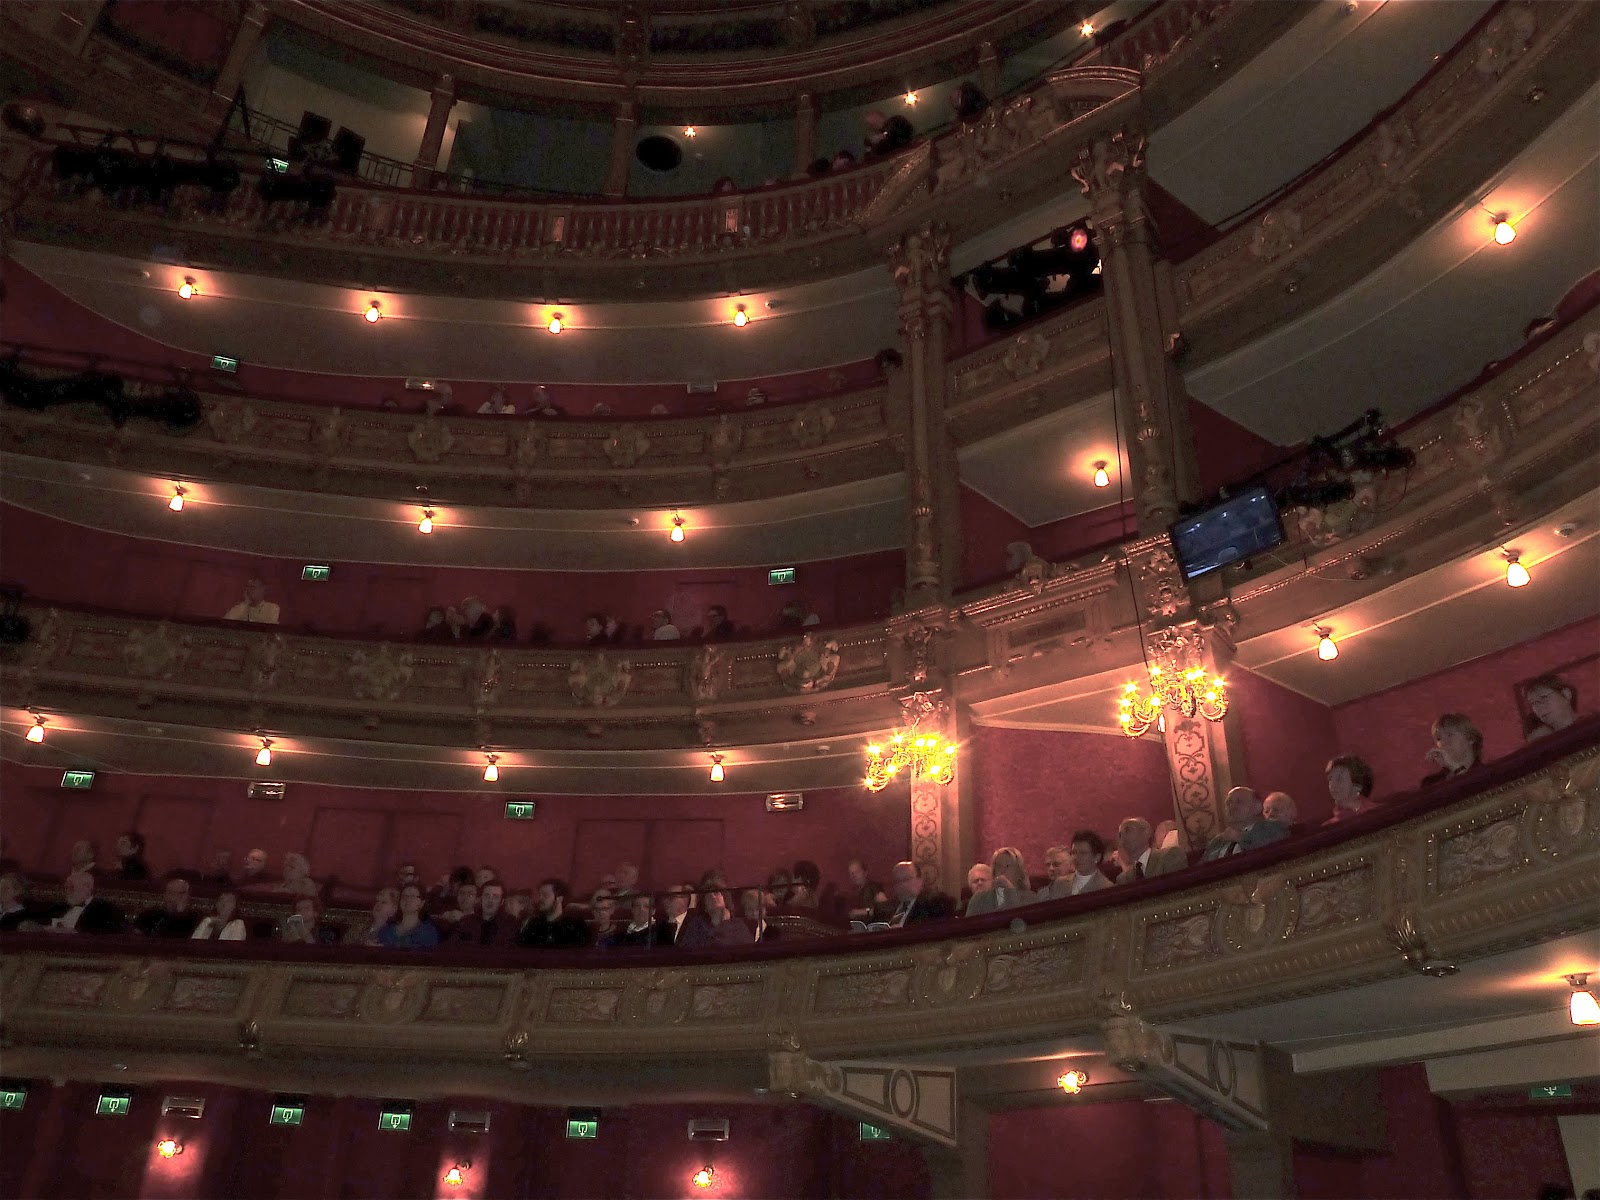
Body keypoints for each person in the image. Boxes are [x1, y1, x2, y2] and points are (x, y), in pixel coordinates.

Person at [1202, 788, 1289, 861]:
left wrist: (1241, 837)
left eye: (1239, 802)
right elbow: (1200, 870)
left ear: (1257, 807)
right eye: (1228, 803)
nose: (1232, 806)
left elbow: (1275, 851)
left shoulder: (1273, 827)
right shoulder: (1217, 841)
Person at [516, 878, 590, 948]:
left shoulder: (575, 925)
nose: (540, 899)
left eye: (545, 895)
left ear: (559, 899)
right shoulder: (534, 923)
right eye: (540, 895)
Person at [46, 871, 126, 934]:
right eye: (66, 888)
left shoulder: (104, 909)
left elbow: (110, 933)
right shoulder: (60, 905)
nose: (67, 891)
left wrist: (73, 932)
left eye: (71, 887)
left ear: (87, 887)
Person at [1115, 818, 1187, 884]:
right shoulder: (1123, 879)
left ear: (1147, 833)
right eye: (1120, 834)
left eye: (1128, 829)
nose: (1124, 836)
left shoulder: (1170, 856)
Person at [966, 847, 1034, 916]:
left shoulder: (1029, 898)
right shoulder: (979, 899)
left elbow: (1017, 921)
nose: (1002, 870)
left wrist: (1009, 890)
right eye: (999, 865)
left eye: (1007, 866)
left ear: (1019, 872)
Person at [884, 860, 953, 926]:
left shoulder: (935, 903)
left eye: (906, 879)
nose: (902, 884)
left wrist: (900, 932)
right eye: (897, 881)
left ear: (920, 880)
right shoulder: (884, 909)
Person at [450, 881, 517, 948]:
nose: (490, 900)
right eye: (486, 895)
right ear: (481, 898)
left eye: (495, 897)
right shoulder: (466, 922)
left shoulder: (510, 923)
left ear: (501, 902)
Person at [1423, 713, 1484, 785]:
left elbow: (1475, 788)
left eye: (1450, 735)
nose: (1443, 742)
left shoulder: (1486, 774)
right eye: (1439, 738)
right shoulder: (1430, 783)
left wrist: (1456, 768)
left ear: (1470, 738)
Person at [680, 888, 754, 948]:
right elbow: (686, 952)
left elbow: (748, 952)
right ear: (705, 906)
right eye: (708, 896)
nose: (713, 897)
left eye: (716, 893)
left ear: (724, 899)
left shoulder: (738, 926)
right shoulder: (697, 927)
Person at [376, 884, 440, 949]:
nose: (408, 899)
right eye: (404, 896)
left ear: (422, 903)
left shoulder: (428, 932)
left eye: (412, 896)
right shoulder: (386, 930)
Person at [136, 876, 201, 938]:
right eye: (171, 893)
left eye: (181, 893)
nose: (175, 897)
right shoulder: (147, 917)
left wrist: (179, 913)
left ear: (188, 896)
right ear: (165, 895)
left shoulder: (198, 920)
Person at [1323, 755, 1380, 825]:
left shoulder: (1379, 814)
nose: (1332, 785)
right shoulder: (1329, 827)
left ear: (1357, 786)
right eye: (1330, 779)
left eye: (1339, 779)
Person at [1524, 674, 1580, 740]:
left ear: (1566, 694)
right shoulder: (1541, 741)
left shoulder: (1591, 726)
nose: (1538, 706)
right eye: (1533, 703)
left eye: (1543, 697)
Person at [656, 882, 696, 947]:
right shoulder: (658, 924)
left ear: (684, 900)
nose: (665, 901)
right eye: (665, 898)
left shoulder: (696, 924)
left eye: (670, 897)